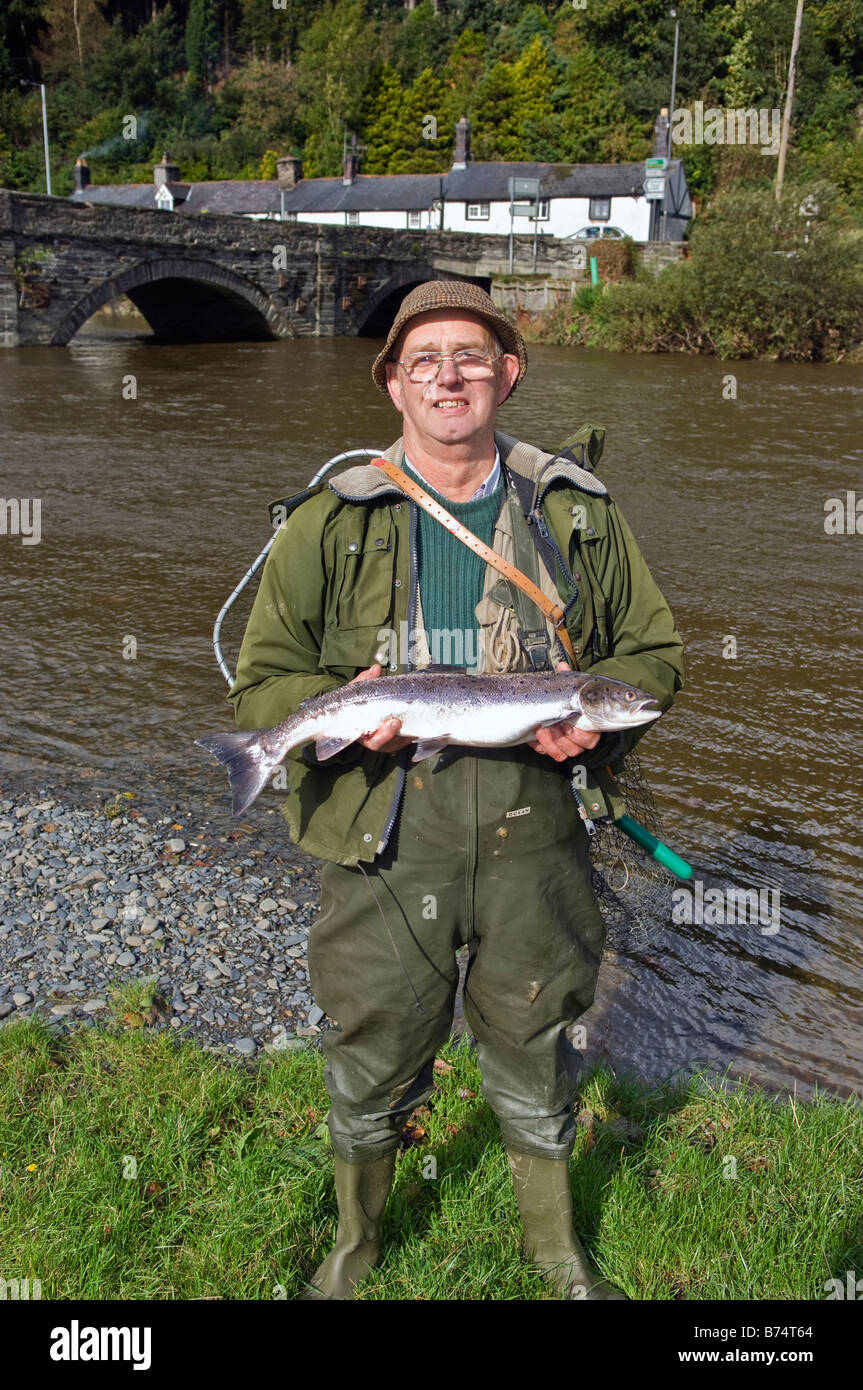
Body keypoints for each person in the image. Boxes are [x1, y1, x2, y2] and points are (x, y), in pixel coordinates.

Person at [228, 280, 684, 1300]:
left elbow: (647, 656)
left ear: (507, 375)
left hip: (536, 836)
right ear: (392, 381)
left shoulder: (575, 512)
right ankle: (352, 1251)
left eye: (471, 356)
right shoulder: (326, 520)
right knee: (373, 1045)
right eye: (423, 357)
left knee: (534, 1038)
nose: (448, 373)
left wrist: (590, 740)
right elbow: (263, 676)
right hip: (387, 831)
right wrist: (329, 707)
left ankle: (559, 1253)